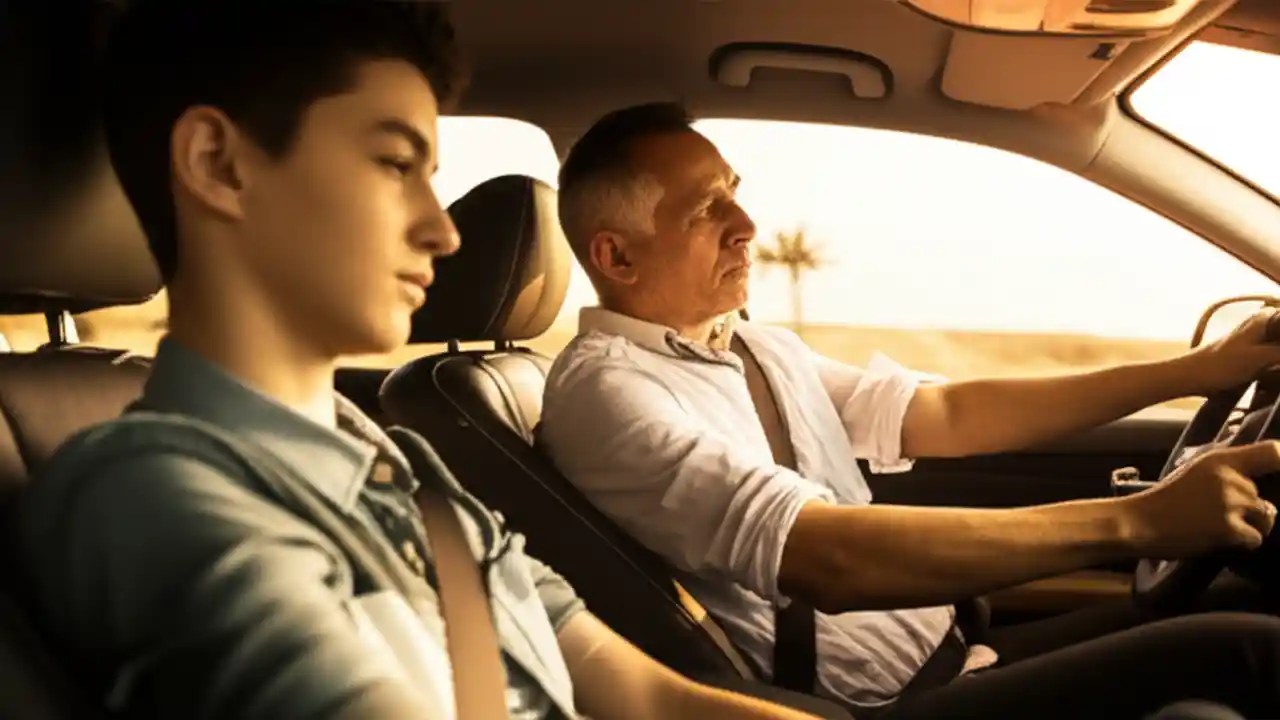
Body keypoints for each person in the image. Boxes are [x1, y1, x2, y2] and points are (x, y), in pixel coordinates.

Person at [14, 6, 830, 720]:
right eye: (396, 165)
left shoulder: (399, 466)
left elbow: (646, 696)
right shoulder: (159, 498)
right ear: (217, 164)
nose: (442, 231)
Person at [537, 101, 1280, 719]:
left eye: (734, 189)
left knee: (1227, 608)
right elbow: (824, 555)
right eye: (708, 209)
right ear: (618, 258)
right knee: (1247, 655)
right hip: (883, 707)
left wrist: (1199, 370)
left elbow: (950, 415)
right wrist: (1140, 521)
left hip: (961, 654)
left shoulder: (753, 349)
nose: (747, 223)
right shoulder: (609, 396)